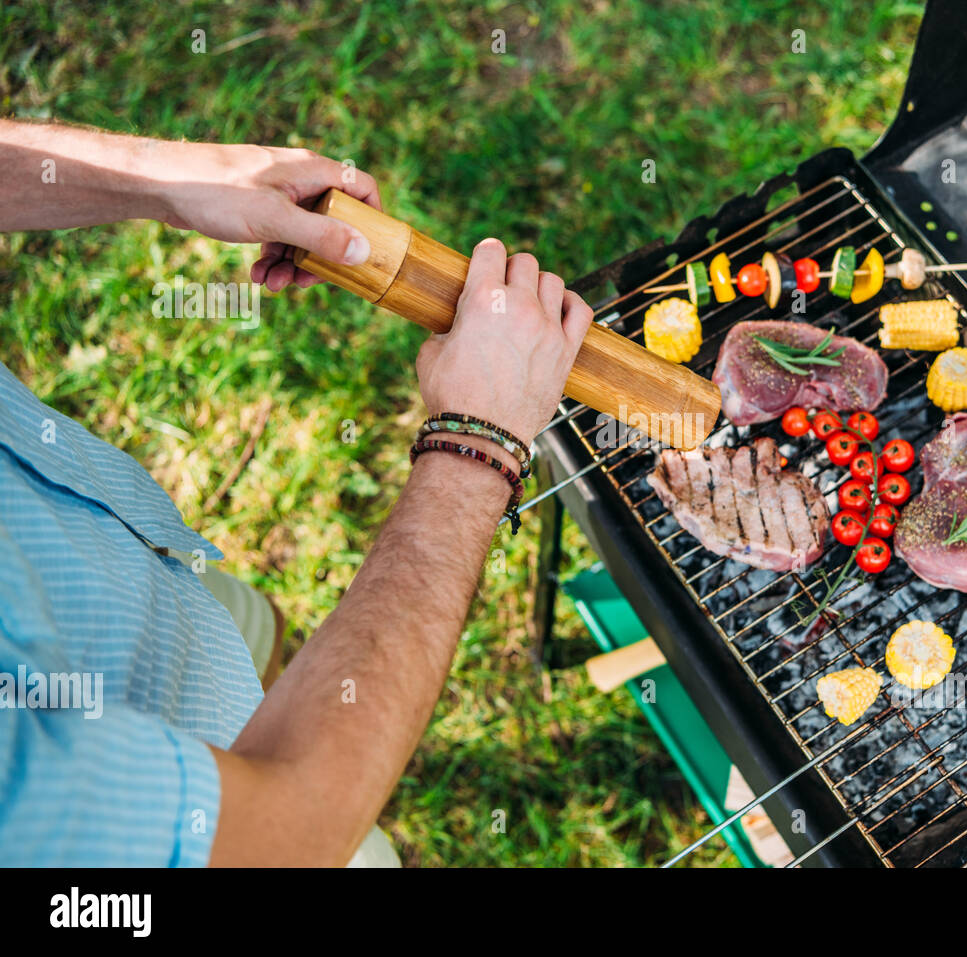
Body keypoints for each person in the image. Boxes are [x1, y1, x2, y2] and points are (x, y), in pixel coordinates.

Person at [0, 119, 594, 866]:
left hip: (128, 573)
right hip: (247, 825)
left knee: (246, 626)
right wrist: (476, 445)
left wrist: (169, 178)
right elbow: (288, 834)